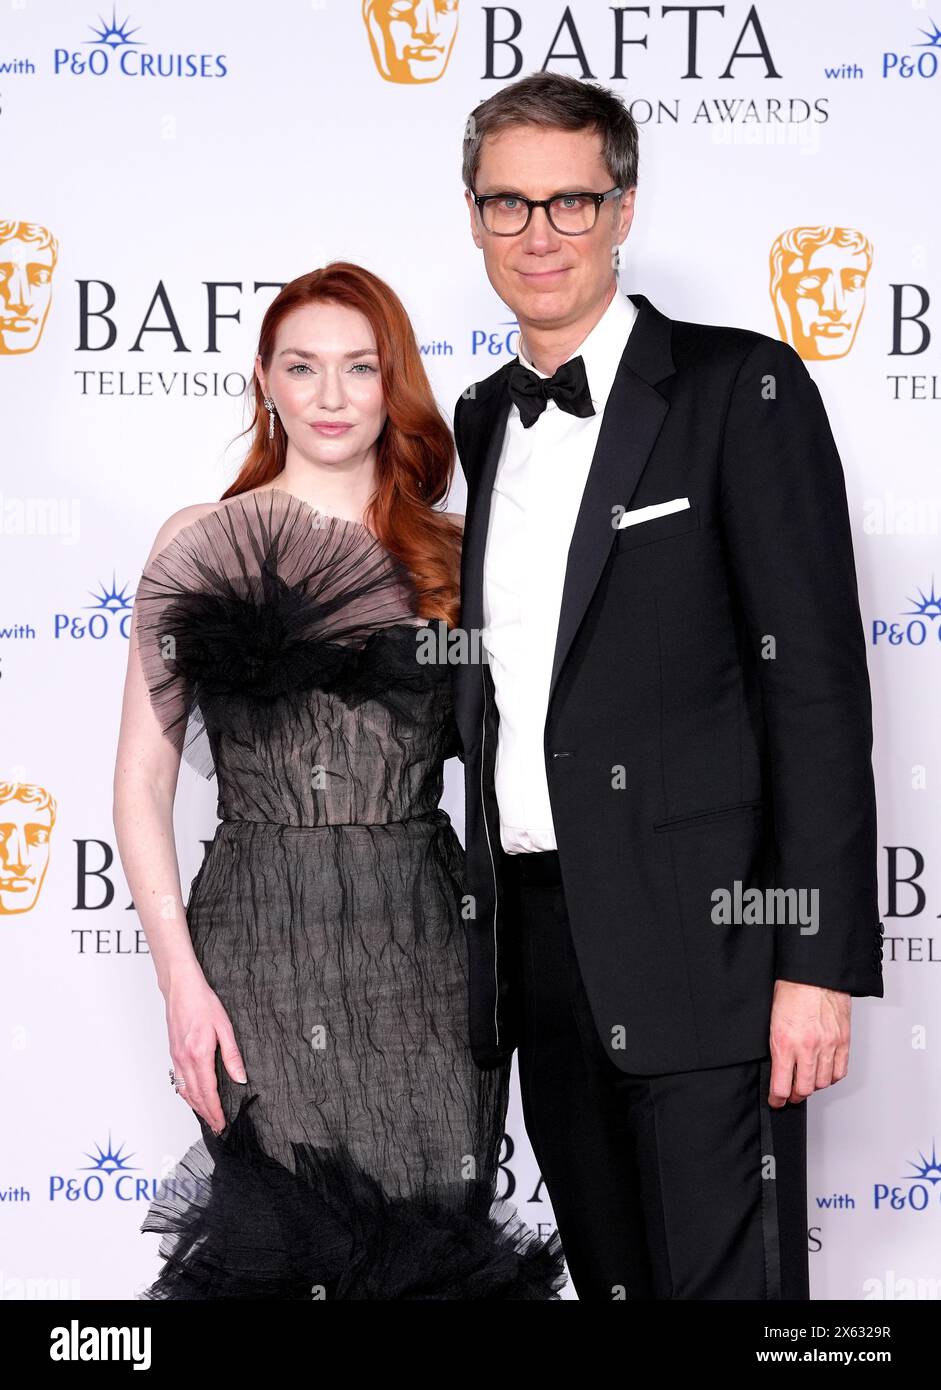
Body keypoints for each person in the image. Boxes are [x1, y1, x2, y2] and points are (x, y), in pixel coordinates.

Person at [451, 71, 884, 1301]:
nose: (539, 235)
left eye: (571, 202)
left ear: (623, 208)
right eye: (508, 204)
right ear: (472, 217)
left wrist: (811, 965)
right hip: (537, 947)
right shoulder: (482, 421)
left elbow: (814, 693)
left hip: (714, 948)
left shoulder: (736, 389)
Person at [113, 261, 565, 1300]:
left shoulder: (457, 555)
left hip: (426, 949)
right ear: (263, 381)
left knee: (428, 1259)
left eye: (358, 368)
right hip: (252, 945)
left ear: (391, 383)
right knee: (280, 1253)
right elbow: (138, 783)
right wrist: (181, 984)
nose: (329, 395)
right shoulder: (197, 542)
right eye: (302, 366)